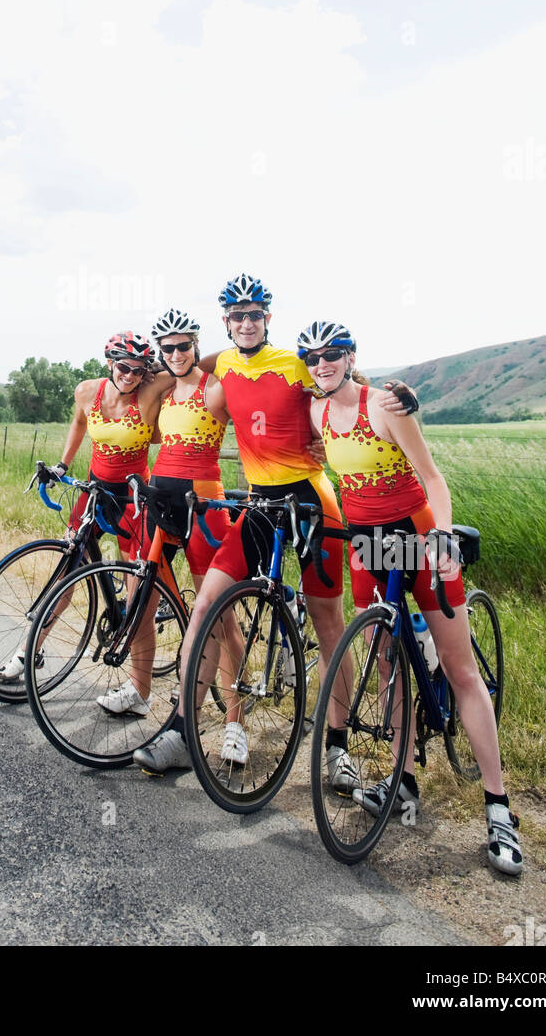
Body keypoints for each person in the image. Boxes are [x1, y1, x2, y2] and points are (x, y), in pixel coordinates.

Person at [134, 272, 416, 780]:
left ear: (268, 317)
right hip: (261, 502)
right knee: (205, 606)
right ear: (225, 322)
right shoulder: (218, 365)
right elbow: (179, 374)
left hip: (312, 499)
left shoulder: (293, 364)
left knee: (330, 626)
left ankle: (337, 747)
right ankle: (181, 730)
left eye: (255, 314)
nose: (246, 322)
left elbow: (347, 389)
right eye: (237, 315)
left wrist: (395, 391)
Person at [299, 319, 522, 876]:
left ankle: (498, 809)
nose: (321, 363)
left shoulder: (386, 406)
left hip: (417, 539)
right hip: (367, 545)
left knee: (460, 668)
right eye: (311, 357)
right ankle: (403, 782)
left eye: (332, 354)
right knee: (386, 663)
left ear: (351, 357)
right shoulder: (315, 410)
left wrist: (442, 536)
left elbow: (433, 477)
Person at [97, 308, 244, 758]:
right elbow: (119, 395)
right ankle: (140, 693)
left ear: (196, 344)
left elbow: (260, 405)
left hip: (204, 503)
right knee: (143, 597)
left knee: (221, 612)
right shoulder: (159, 386)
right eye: (169, 348)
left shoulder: (215, 387)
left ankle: (235, 722)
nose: (177, 354)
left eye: (185, 345)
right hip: (159, 500)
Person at [0, 330, 171, 685]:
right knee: (67, 570)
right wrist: (63, 464)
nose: (130, 376)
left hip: (133, 498)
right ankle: (29, 652)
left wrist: (158, 365)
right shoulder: (87, 391)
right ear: (109, 363)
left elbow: (184, 368)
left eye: (138, 370)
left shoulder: (148, 391)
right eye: (123, 367)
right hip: (95, 489)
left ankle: (135, 681)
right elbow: (78, 422)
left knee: (135, 585)